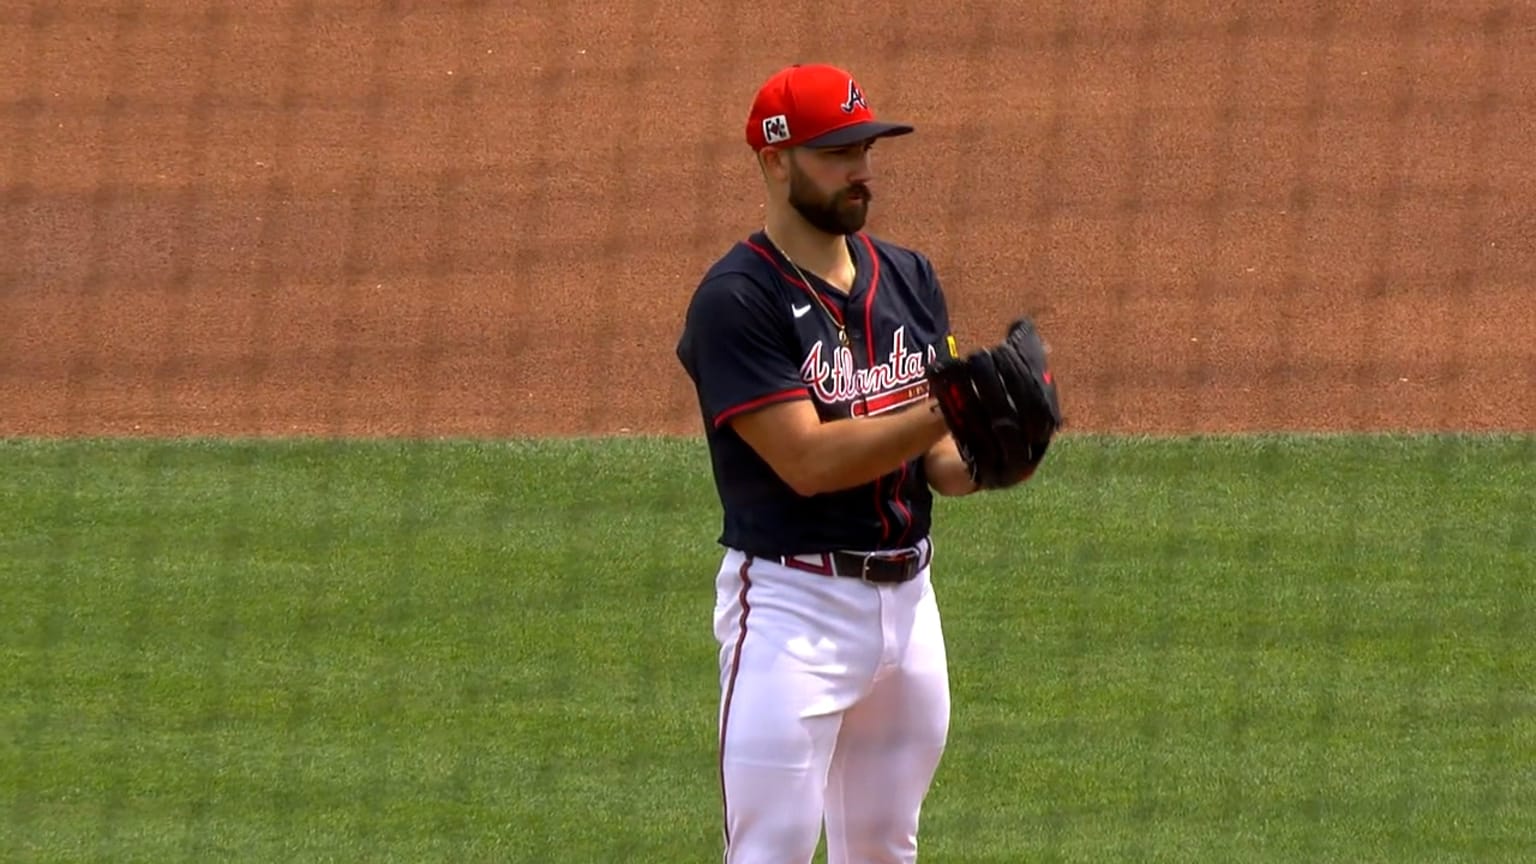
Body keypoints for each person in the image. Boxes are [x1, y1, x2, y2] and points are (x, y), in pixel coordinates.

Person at [675, 63, 1008, 864]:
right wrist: (949, 404)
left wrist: (999, 453)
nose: (861, 170)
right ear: (774, 159)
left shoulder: (910, 277)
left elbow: (939, 462)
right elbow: (807, 461)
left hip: (911, 610)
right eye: (836, 152)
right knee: (770, 854)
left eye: (865, 147)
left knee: (886, 850)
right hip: (794, 614)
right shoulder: (737, 301)